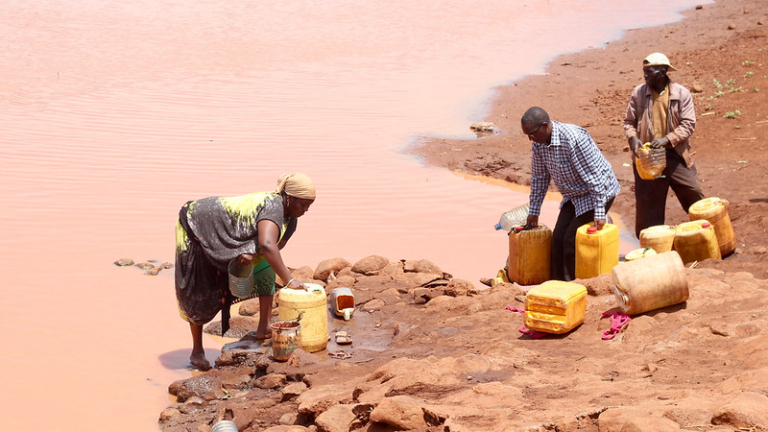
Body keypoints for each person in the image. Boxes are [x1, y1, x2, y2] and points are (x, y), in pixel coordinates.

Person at [174, 173, 315, 370]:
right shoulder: (273, 206)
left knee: (266, 266)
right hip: (197, 225)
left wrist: (253, 253)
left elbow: (274, 247)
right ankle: (197, 350)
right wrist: (290, 281)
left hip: (230, 234)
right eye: (303, 204)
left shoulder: (290, 219)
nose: (306, 210)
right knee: (199, 288)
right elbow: (267, 244)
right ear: (289, 198)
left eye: (310, 205)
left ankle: (264, 326)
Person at [521, 106, 620, 281]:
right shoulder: (539, 144)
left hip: (598, 192)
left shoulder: (573, 138)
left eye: (533, 134)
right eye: (527, 135)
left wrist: (599, 212)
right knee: (557, 239)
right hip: (574, 196)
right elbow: (539, 178)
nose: (530, 139)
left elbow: (595, 178)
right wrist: (534, 212)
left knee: (570, 240)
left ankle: (574, 285)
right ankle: (557, 283)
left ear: (545, 125)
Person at [624, 52, 705, 237]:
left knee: (693, 192)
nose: (645, 76)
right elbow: (629, 122)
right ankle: (650, 248)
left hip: (675, 155)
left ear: (663, 71)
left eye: (649, 72)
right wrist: (633, 138)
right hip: (648, 158)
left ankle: (707, 234)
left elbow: (688, 124)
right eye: (644, 71)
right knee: (648, 208)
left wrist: (666, 140)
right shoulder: (638, 93)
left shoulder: (681, 93)